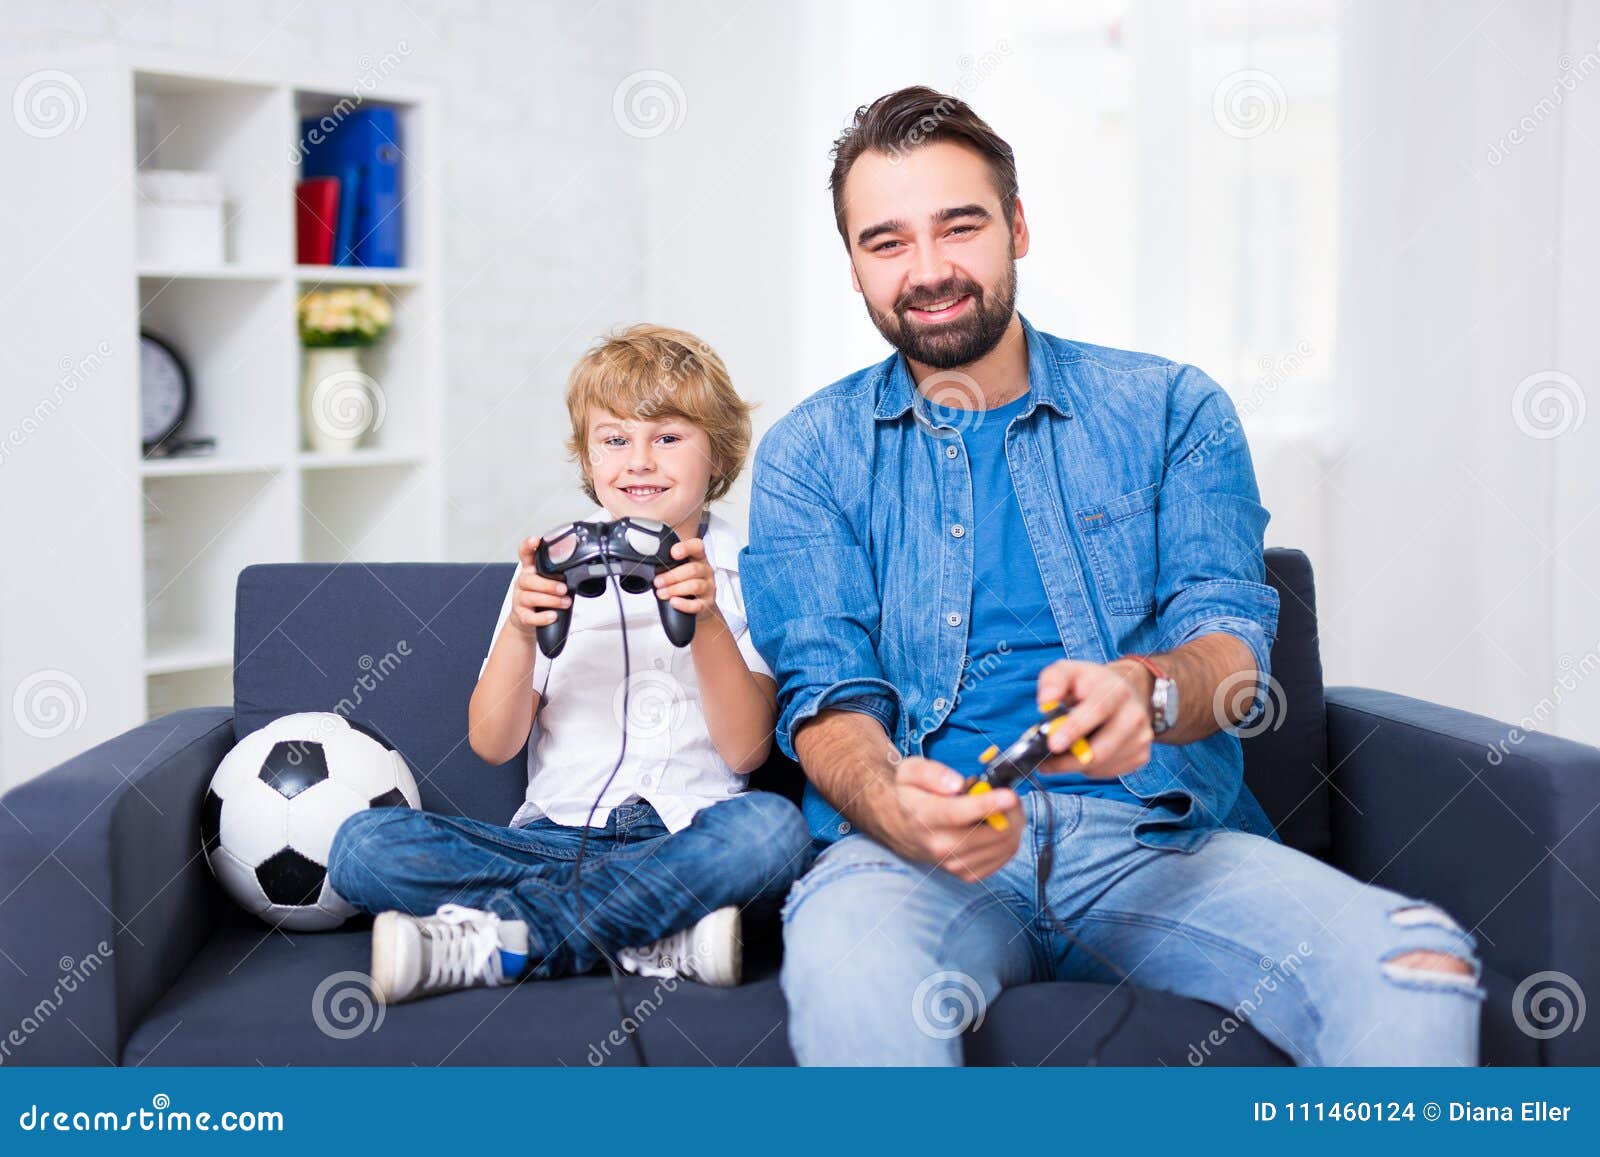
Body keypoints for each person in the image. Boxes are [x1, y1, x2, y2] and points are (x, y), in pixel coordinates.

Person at [741, 87, 1485, 1065]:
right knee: (854, 976)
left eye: (958, 226)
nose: (927, 271)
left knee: (1415, 969)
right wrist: (891, 801)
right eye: (886, 242)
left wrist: (1146, 688)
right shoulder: (808, 453)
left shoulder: (1171, 408)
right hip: (910, 860)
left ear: (1016, 226)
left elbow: (1231, 650)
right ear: (853, 267)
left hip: (1156, 842)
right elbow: (823, 695)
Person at [328, 324, 811, 1004]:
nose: (639, 460)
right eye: (614, 439)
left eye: (668, 437)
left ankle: (509, 938)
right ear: (588, 459)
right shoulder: (552, 569)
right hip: (554, 840)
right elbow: (494, 743)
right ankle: (646, 936)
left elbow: (746, 747)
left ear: (720, 454)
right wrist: (524, 632)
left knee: (771, 834)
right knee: (362, 845)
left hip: (682, 839)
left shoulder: (742, 575)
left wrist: (704, 620)